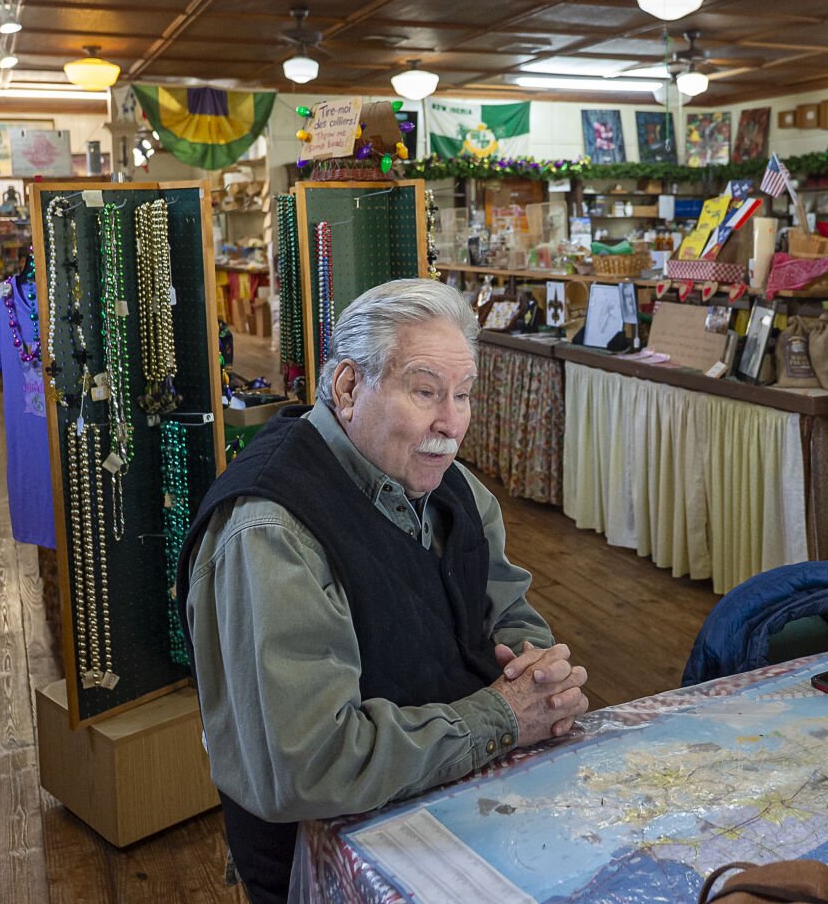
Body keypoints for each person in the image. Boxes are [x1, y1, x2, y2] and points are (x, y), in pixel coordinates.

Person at [178, 278, 589, 904]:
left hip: (456, 807)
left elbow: (506, 612)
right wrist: (502, 717)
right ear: (348, 388)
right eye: (425, 392)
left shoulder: (459, 491)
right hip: (324, 859)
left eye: (463, 395)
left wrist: (539, 672)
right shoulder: (273, 531)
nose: (451, 423)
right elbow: (311, 762)